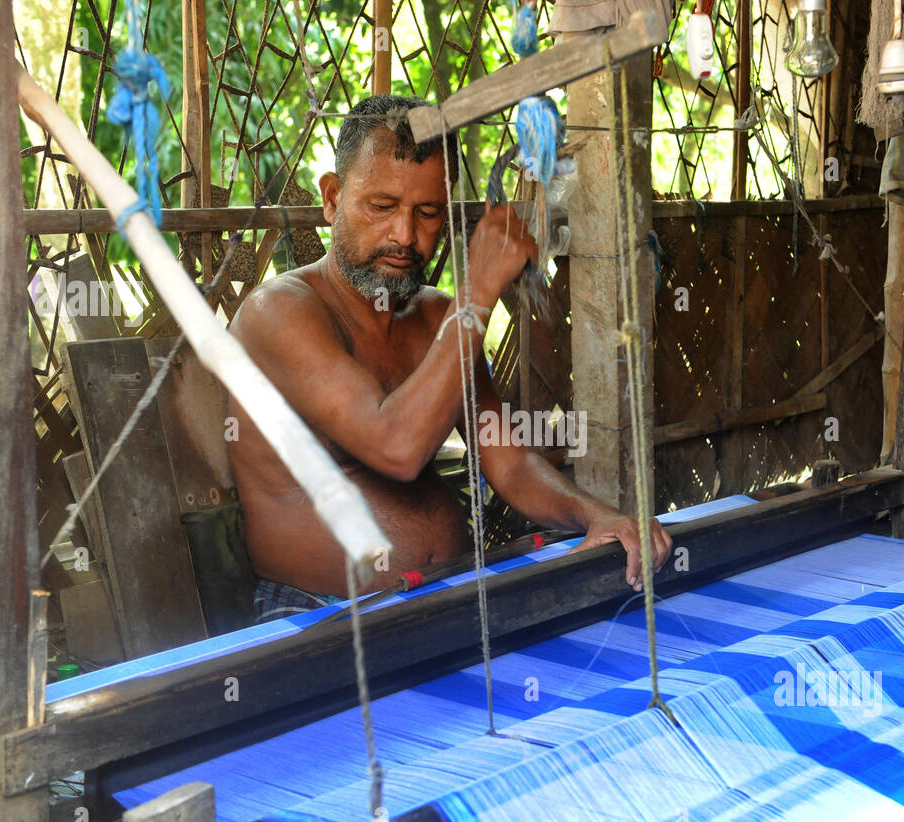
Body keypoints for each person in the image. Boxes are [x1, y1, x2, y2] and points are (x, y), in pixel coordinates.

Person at [228, 94, 671, 623]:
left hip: (449, 600)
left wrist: (597, 515)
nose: (404, 236)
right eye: (381, 206)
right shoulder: (277, 312)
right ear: (331, 198)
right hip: (315, 617)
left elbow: (508, 461)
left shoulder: (438, 318)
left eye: (428, 212)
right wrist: (478, 293)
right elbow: (394, 447)